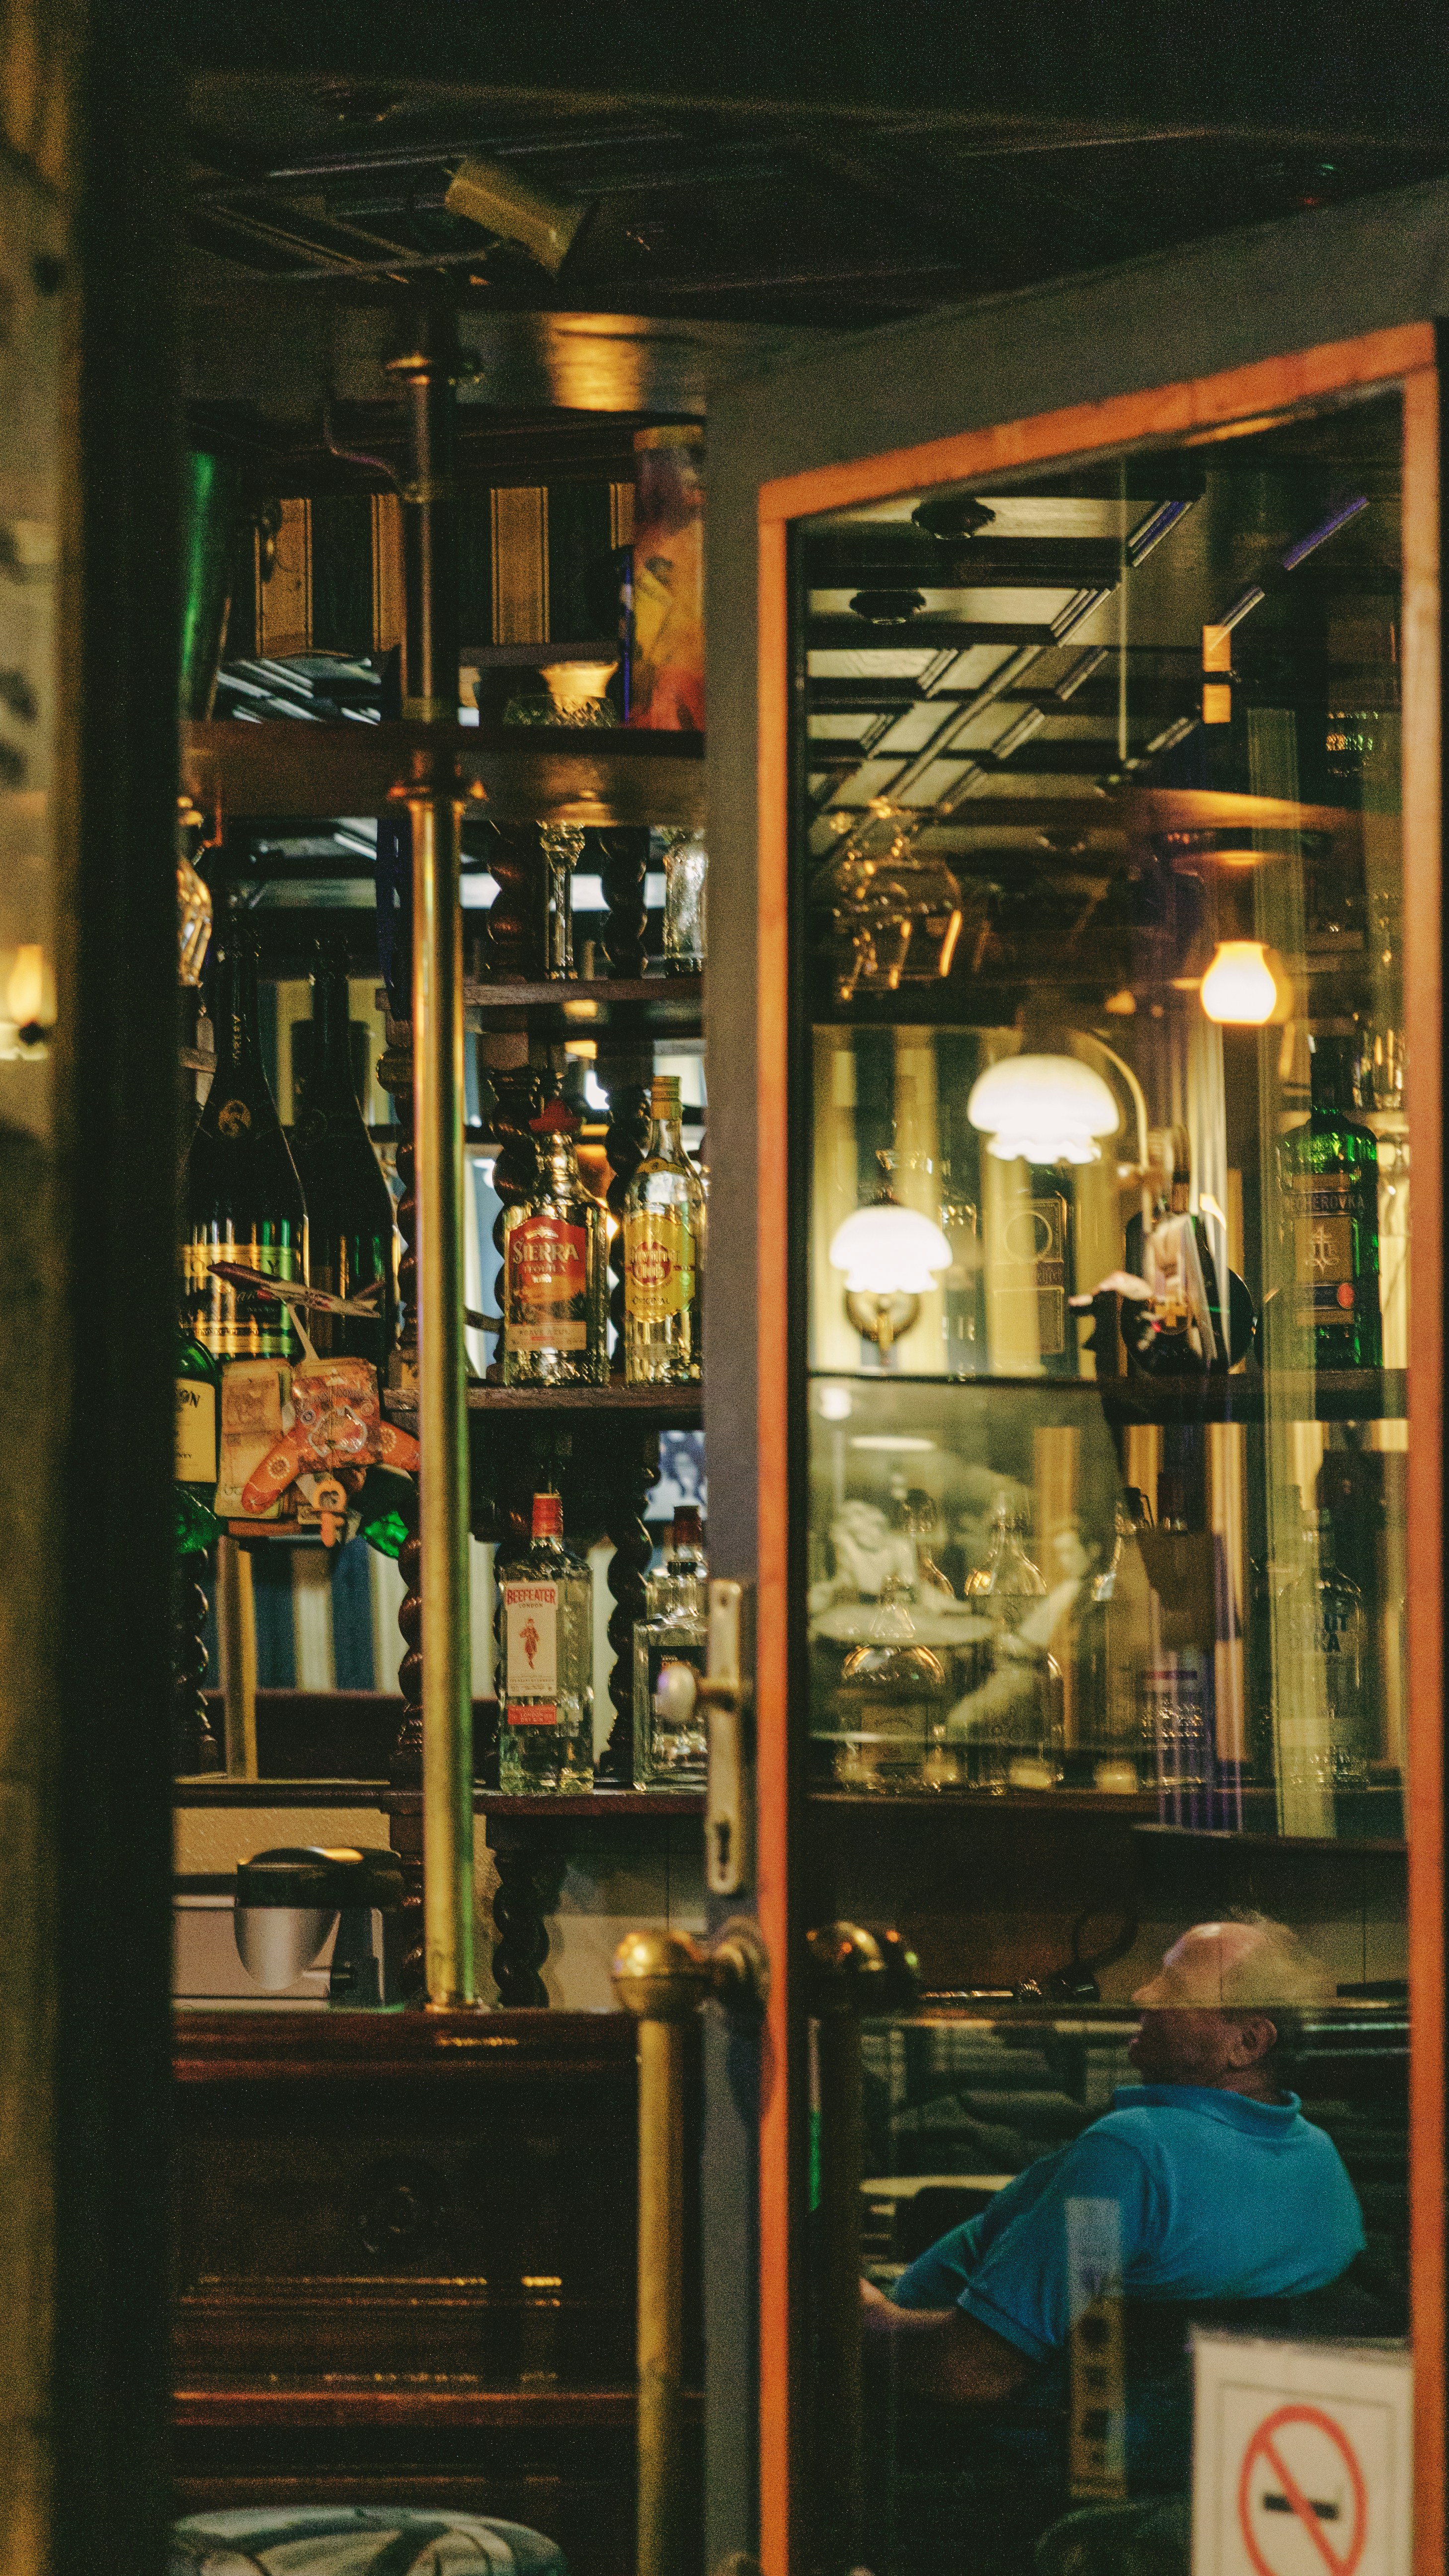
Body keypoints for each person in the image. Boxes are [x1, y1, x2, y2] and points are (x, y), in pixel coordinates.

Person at [860, 1916, 1366, 2569]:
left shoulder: (1133, 2153)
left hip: (985, 2476)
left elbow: (970, 2371)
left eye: (1174, 1989)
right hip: (1175, 2479)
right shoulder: (1319, 2156)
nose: (1141, 1997)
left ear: (1247, 2041)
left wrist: (863, 2314)